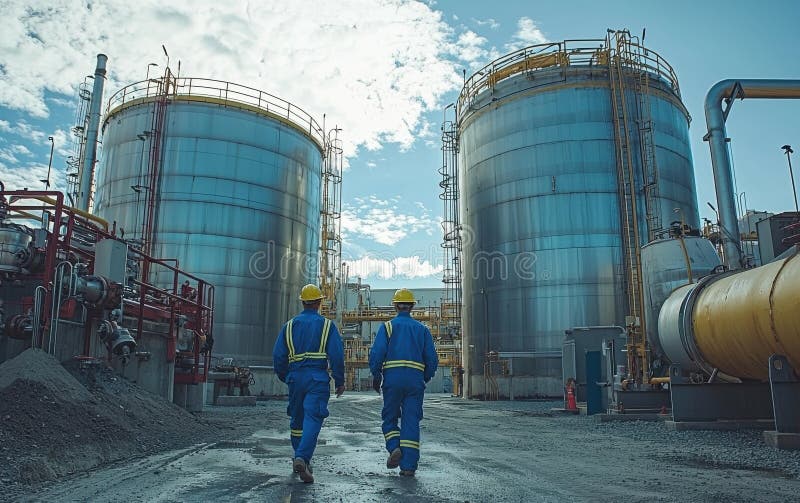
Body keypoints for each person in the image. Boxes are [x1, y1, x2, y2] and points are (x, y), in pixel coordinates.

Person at [273, 284, 345, 483]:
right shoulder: (327, 326)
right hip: (317, 379)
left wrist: (285, 376)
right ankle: (303, 458)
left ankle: (300, 457)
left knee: (297, 421)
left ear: (302, 301)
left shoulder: (289, 326)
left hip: (296, 378)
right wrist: (340, 380)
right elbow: (337, 355)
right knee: (313, 418)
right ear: (320, 302)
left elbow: (278, 356)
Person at [369, 288, 438, 477]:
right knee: (411, 421)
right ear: (412, 306)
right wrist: (424, 377)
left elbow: (377, 353)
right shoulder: (422, 330)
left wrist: (376, 374)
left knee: (390, 418)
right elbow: (432, 360)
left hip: (392, 378)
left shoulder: (388, 327)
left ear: (395, 306)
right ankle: (408, 466)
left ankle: (394, 447)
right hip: (415, 381)